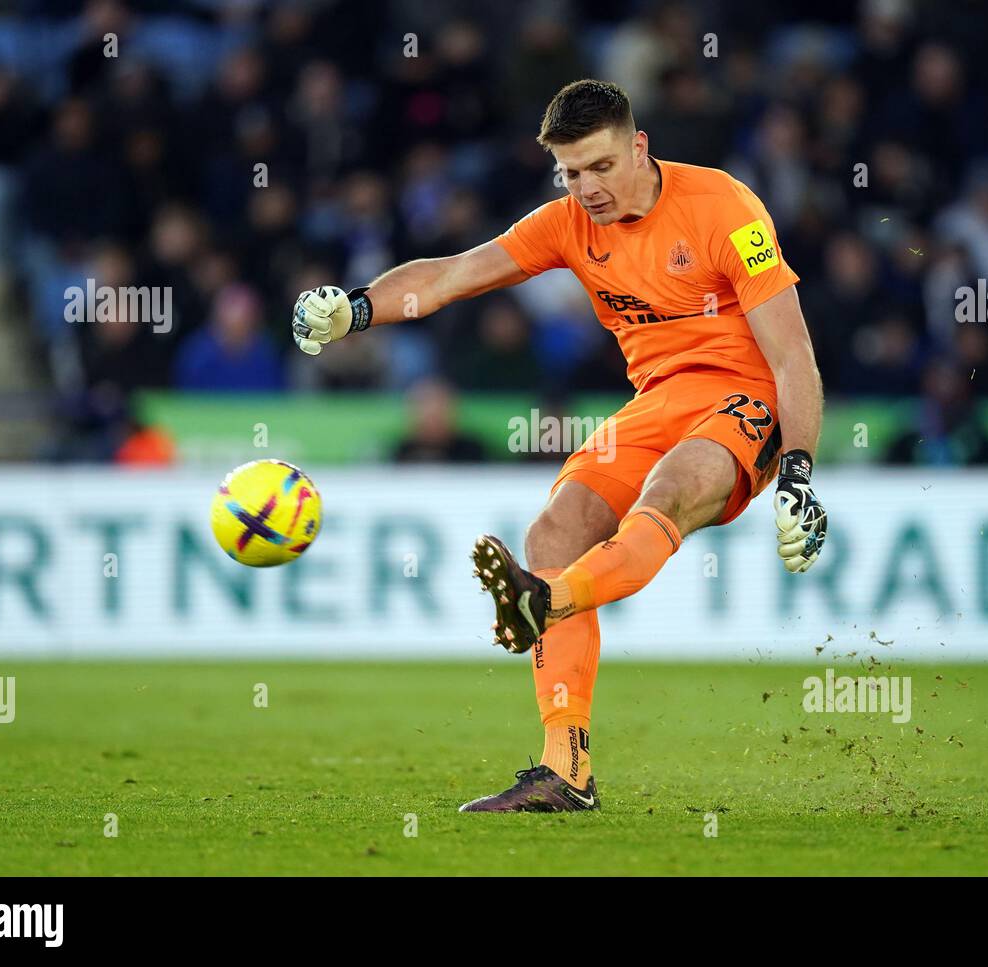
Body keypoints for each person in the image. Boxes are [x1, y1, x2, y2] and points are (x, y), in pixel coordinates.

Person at [291, 80, 828, 812]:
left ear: (639, 147)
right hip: (659, 402)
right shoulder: (568, 222)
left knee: (667, 491)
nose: (588, 188)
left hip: (746, 397)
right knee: (556, 526)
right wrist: (355, 308)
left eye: (602, 167)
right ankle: (565, 768)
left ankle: (542, 599)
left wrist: (797, 472)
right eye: (571, 173)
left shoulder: (725, 208)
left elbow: (793, 355)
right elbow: (450, 277)